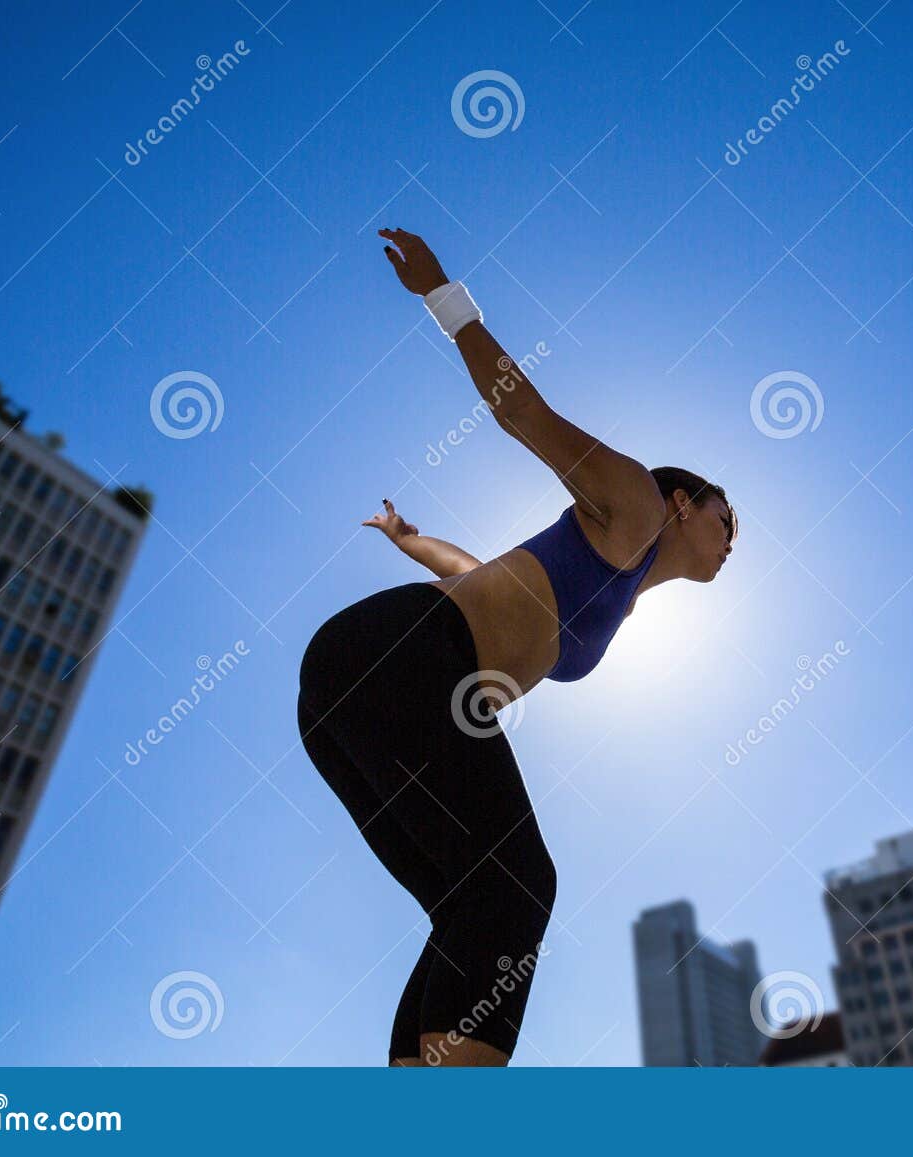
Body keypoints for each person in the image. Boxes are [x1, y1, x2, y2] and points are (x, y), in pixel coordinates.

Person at [296, 228, 737, 1066]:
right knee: (516, 886)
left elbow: (469, 568)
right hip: (406, 658)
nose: (733, 536)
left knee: (472, 905)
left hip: (361, 681)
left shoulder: (611, 593)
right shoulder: (636, 501)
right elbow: (520, 410)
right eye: (727, 515)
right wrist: (443, 296)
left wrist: (408, 539)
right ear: (683, 503)